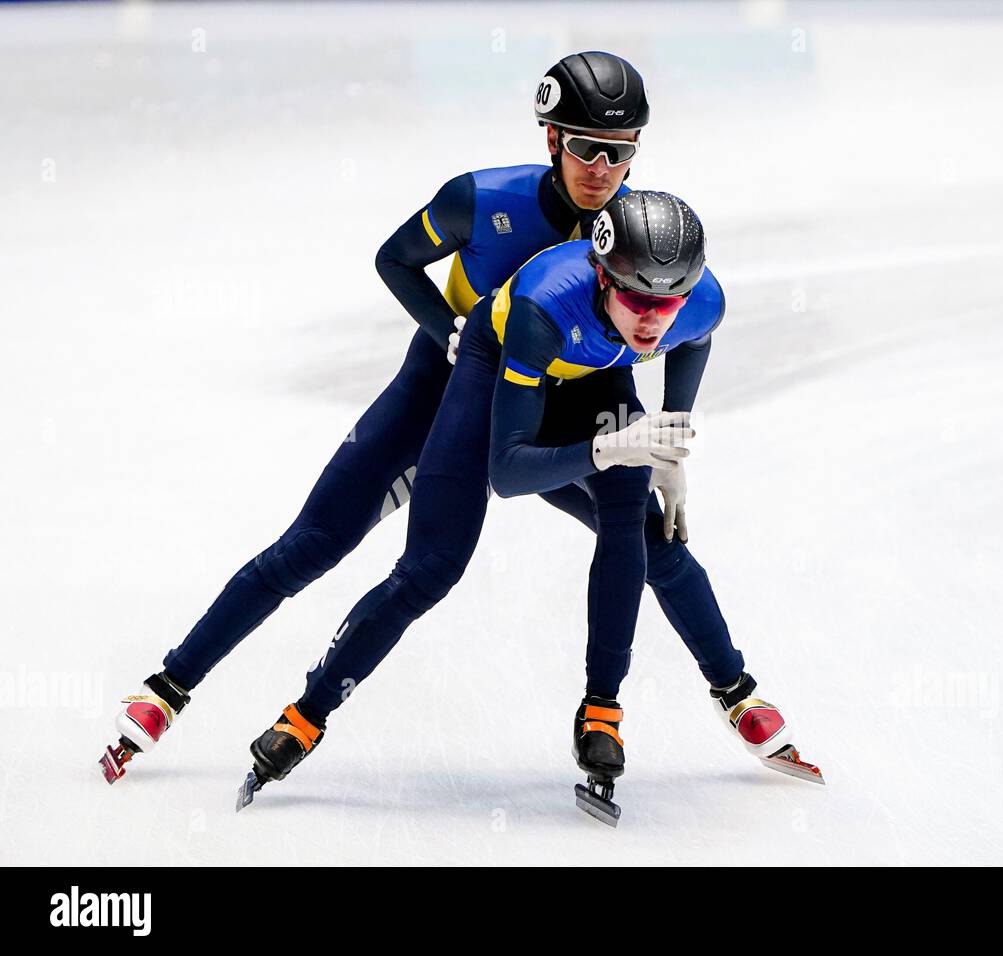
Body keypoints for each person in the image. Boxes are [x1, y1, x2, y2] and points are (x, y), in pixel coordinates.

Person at [101, 53, 804, 793]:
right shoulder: (481, 200)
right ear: (550, 140)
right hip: (452, 386)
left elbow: (691, 323)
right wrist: (448, 330)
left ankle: (727, 695)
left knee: (650, 534)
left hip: (570, 394)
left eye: (621, 151)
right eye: (584, 146)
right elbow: (395, 259)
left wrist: (670, 439)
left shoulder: (640, 233)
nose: (602, 168)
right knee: (319, 542)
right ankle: (167, 688)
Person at [241, 192, 821, 822]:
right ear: (603, 277)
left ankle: (647, 703)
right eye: (638, 301)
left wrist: (672, 446)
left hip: (593, 384)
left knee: (650, 536)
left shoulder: (698, 302)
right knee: (430, 569)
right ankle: (307, 712)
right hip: (500, 384)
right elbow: (509, 471)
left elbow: (693, 338)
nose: (655, 320)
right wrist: (609, 448)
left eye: (669, 303)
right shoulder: (545, 305)